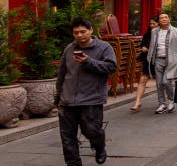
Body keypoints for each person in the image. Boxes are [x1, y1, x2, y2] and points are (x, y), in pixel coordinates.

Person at [55, 17, 117, 166]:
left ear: (91, 31)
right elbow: (62, 73)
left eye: (83, 31)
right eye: (76, 32)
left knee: (91, 131)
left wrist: (88, 61)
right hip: (67, 100)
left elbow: (111, 67)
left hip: (91, 99)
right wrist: (58, 97)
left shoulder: (104, 47)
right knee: (67, 137)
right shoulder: (69, 48)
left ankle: (99, 145)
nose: (79, 35)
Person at [147, 11, 177, 114]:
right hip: (158, 59)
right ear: (159, 21)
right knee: (159, 84)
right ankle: (162, 104)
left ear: (169, 19)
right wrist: (149, 59)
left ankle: (171, 101)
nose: (163, 19)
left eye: (165, 17)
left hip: (171, 60)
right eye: (161, 18)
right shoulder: (154, 31)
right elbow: (152, 45)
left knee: (166, 81)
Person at [130, 16, 158, 112]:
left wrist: (149, 49)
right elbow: (142, 45)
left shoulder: (162, 35)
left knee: (161, 82)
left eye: (154, 24)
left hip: (159, 61)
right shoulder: (147, 34)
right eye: (150, 24)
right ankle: (137, 102)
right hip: (148, 60)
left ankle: (164, 102)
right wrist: (143, 48)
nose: (151, 26)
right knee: (142, 80)